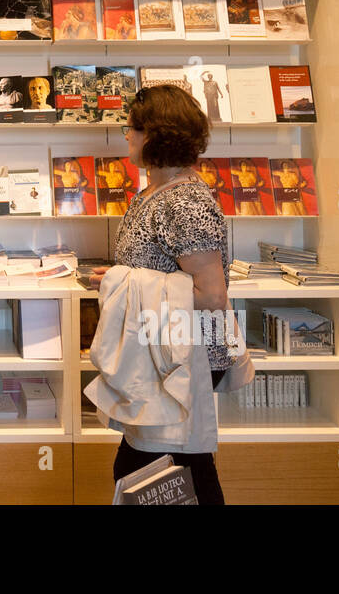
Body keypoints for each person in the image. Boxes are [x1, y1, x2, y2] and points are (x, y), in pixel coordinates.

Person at [98, 84, 235, 505]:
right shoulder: (156, 192)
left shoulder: (184, 200)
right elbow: (159, 268)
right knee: (167, 468)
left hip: (179, 356)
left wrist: (128, 283)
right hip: (162, 351)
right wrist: (121, 277)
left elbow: (211, 296)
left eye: (131, 128)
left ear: (154, 136)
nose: (126, 135)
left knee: (163, 470)